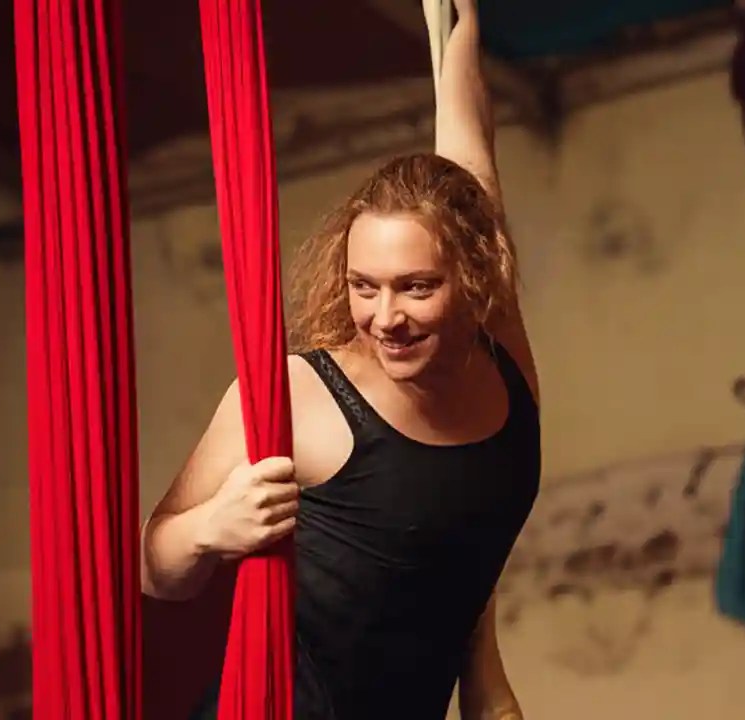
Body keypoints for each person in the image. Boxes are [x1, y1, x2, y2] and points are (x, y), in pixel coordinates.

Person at [141, 0, 540, 717]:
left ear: (475, 277)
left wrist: (457, 26)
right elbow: (155, 568)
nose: (385, 318)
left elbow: (471, 154)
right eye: (364, 287)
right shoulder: (298, 395)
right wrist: (210, 529)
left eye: (416, 287)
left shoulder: (501, 350)